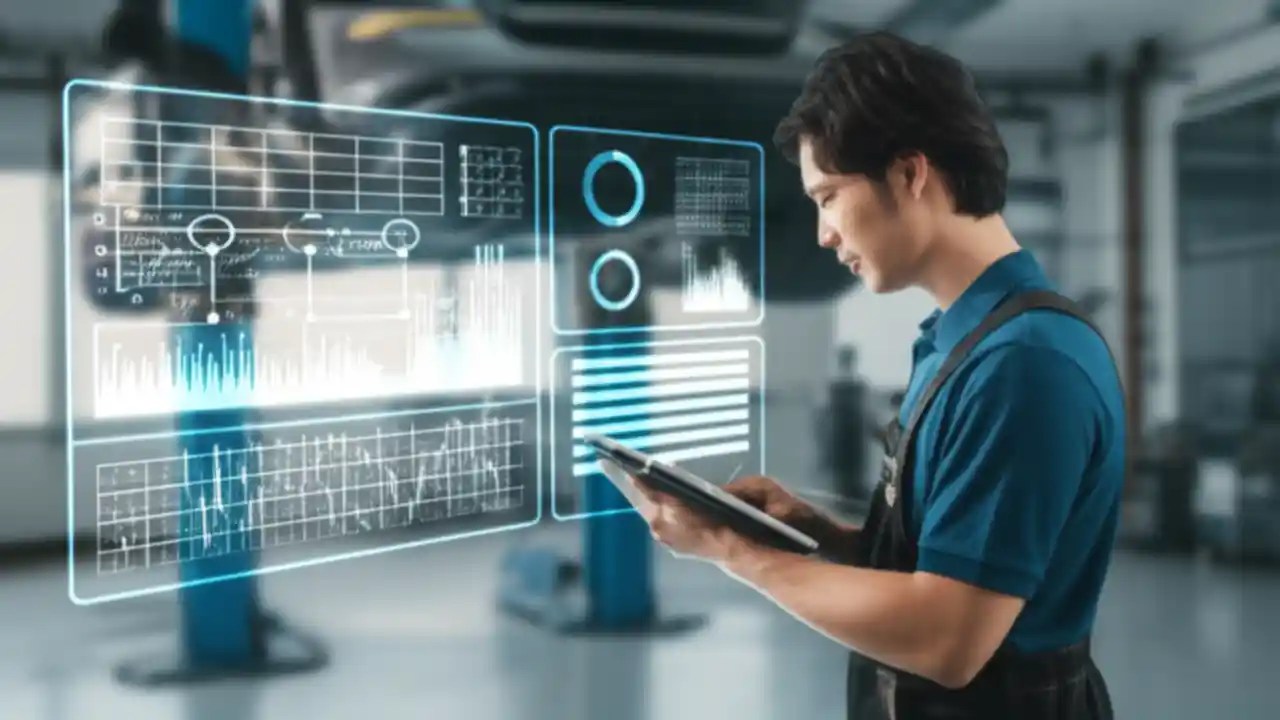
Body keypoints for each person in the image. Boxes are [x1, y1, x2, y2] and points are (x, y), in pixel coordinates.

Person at [625, 32, 1124, 720]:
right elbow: (959, 560)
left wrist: (732, 550)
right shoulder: (958, 341)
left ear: (910, 174)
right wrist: (823, 537)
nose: (824, 232)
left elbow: (948, 637)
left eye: (828, 195)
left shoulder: (1024, 364)